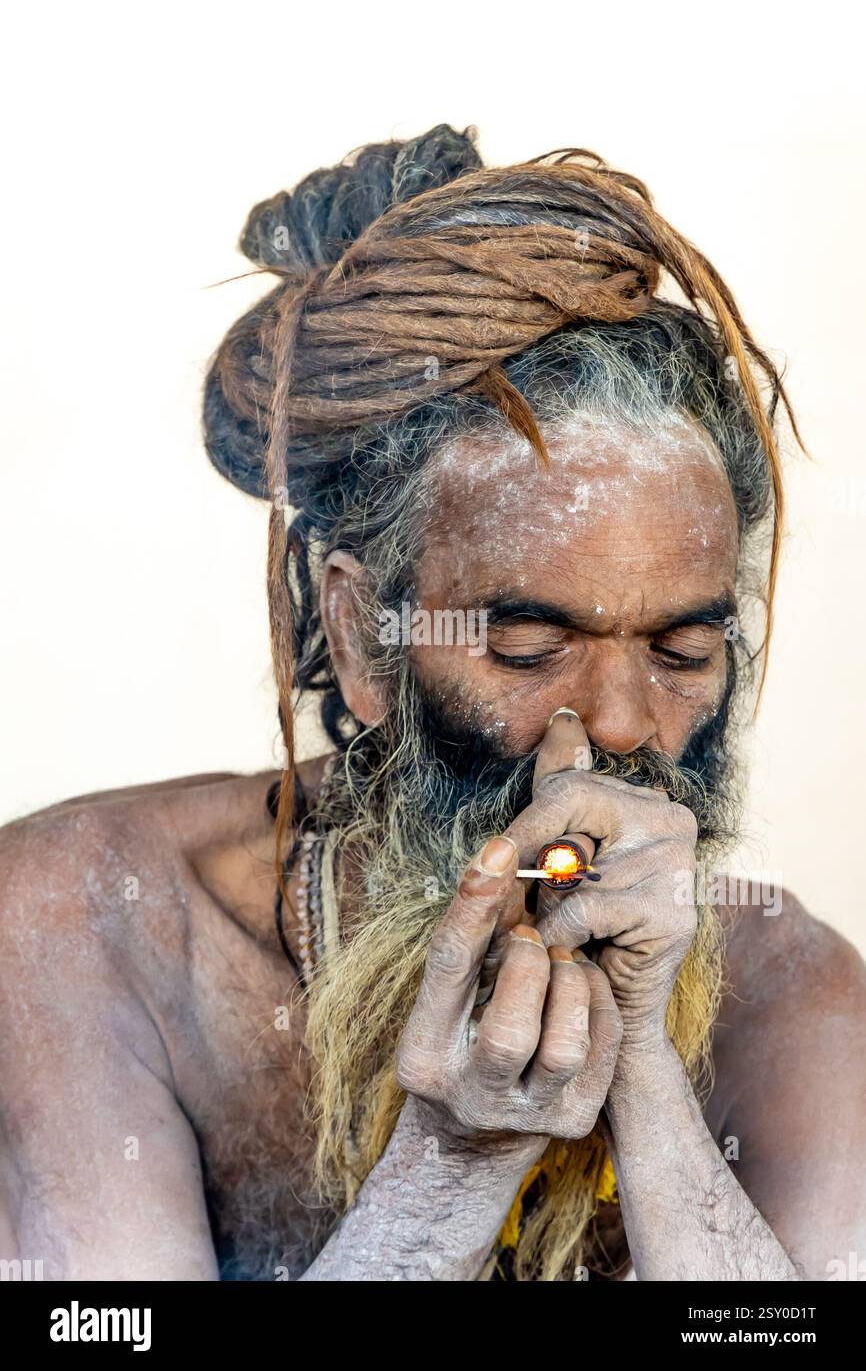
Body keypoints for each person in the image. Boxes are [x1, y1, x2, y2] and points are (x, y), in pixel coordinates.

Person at [1, 123, 864, 1282]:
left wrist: (649, 1082)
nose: (614, 723)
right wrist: (451, 1167)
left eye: (682, 647)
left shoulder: (789, 989)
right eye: (523, 645)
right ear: (362, 635)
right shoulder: (82, 926)